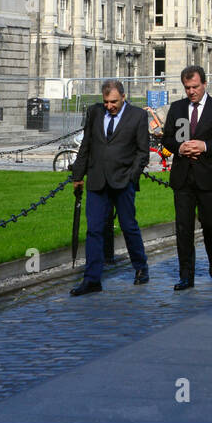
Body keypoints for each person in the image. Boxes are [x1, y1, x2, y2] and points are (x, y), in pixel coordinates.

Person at [70, 80, 150, 294]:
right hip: (97, 180)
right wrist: (78, 175)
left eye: (113, 101)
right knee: (94, 230)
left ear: (123, 97)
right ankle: (92, 279)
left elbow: (143, 152)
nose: (109, 106)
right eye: (106, 102)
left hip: (123, 181)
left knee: (128, 226)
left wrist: (132, 176)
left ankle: (141, 267)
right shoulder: (95, 112)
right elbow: (86, 144)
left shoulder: (137, 116)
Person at [162, 65, 212, 290]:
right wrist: (180, 147)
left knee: (209, 224)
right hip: (183, 176)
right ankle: (186, 274)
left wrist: (204, 146)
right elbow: (167, 138)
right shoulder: (177, 108)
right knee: (183, 227)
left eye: (195, 87)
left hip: (207, 176)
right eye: (187, 88)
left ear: (204, 84)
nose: (191, 91)